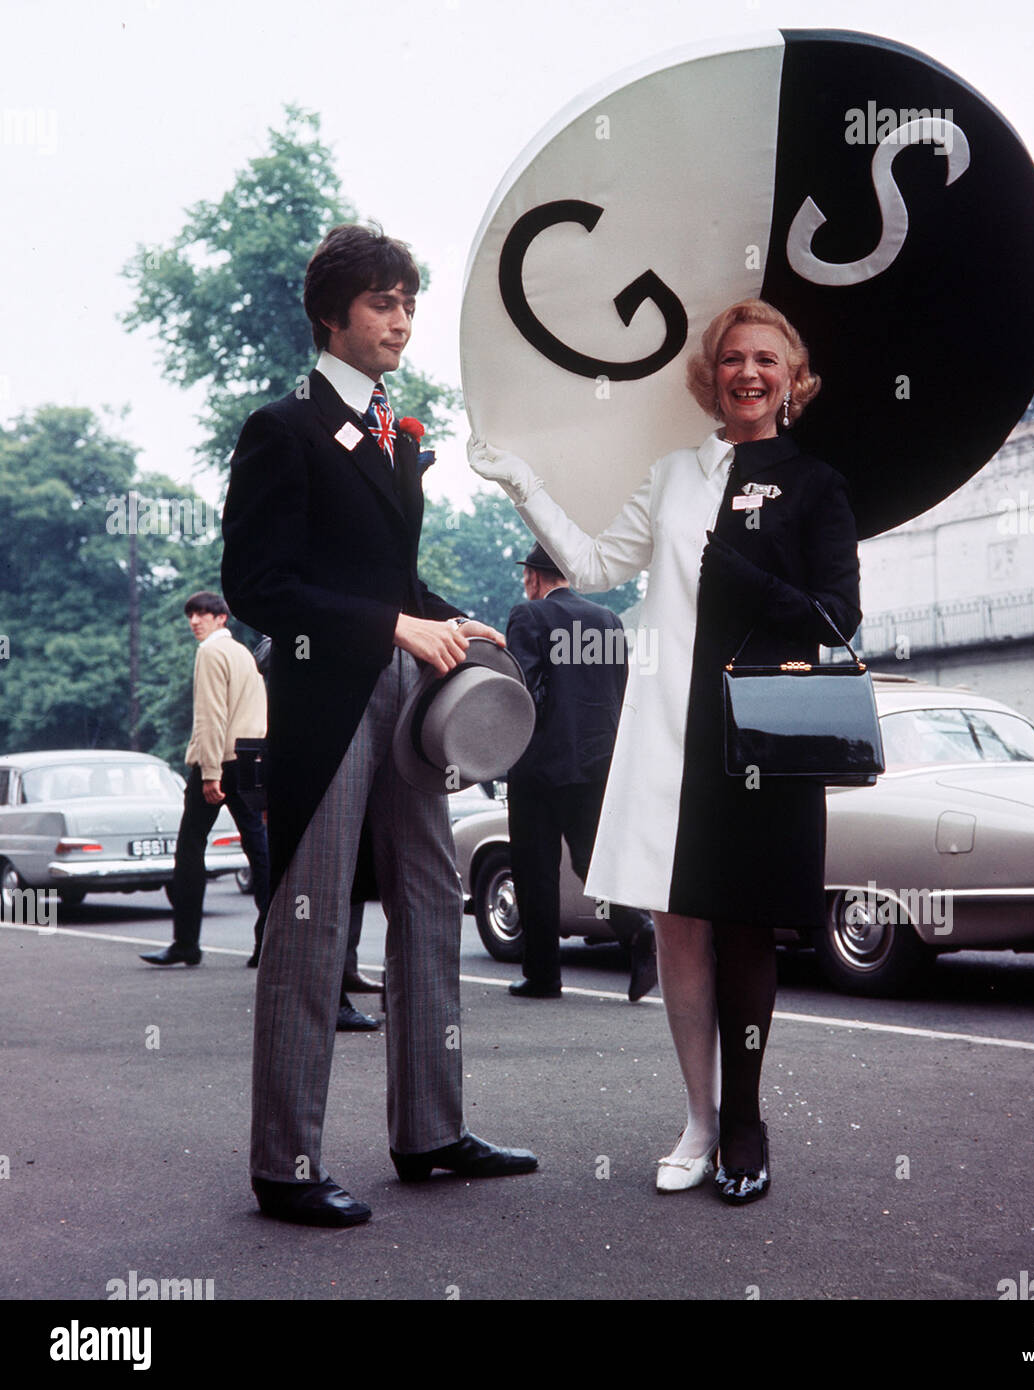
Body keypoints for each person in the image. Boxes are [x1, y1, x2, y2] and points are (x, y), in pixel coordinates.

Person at [470, 298, 861, 1203]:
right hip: (671, 729)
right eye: (731, 358)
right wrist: (522, 483)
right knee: (681, 923)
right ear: (709, 376)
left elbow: (838, 617)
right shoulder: (676, 474)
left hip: (763, 726)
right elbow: (601, 564)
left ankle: (745, 1123)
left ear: (792, 377)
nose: (748, 373)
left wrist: (740, 572)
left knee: (747, 922)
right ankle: (696, 1119)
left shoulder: (814, 483)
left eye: (767, 358)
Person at [222, 223, 538, 1228]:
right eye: (383, 303)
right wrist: (395, 622)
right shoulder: (281, 428)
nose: (401, 319)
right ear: (332, 314)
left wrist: (440, 616)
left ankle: (430, 1131)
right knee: (312, 928)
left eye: (407, 301)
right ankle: (286, 1163)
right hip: (322, 701)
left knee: (432, 904)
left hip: (405, 696)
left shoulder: (395, 434)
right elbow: (258, 586)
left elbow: (388, 579)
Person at [504, 542, 657, 1002]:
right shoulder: (607, 620)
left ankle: (543, 976)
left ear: (534, 576)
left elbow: (523, 692)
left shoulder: (528, 617)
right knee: (593, 863)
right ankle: (637, 927)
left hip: (539, 768)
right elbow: (621, 688)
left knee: (536, 873)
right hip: (597, 765)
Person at [140, 592, 270, 967]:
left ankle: (186, 943)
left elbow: (211, 716)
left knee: (190, 849)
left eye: (203, 614)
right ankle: (269, 941)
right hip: (248, 756)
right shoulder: (243, 653)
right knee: (258, 848)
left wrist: (210, 773)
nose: (195, 621)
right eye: (191, 615)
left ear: (221, 619)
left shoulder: (211, 652)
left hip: (220, 761)